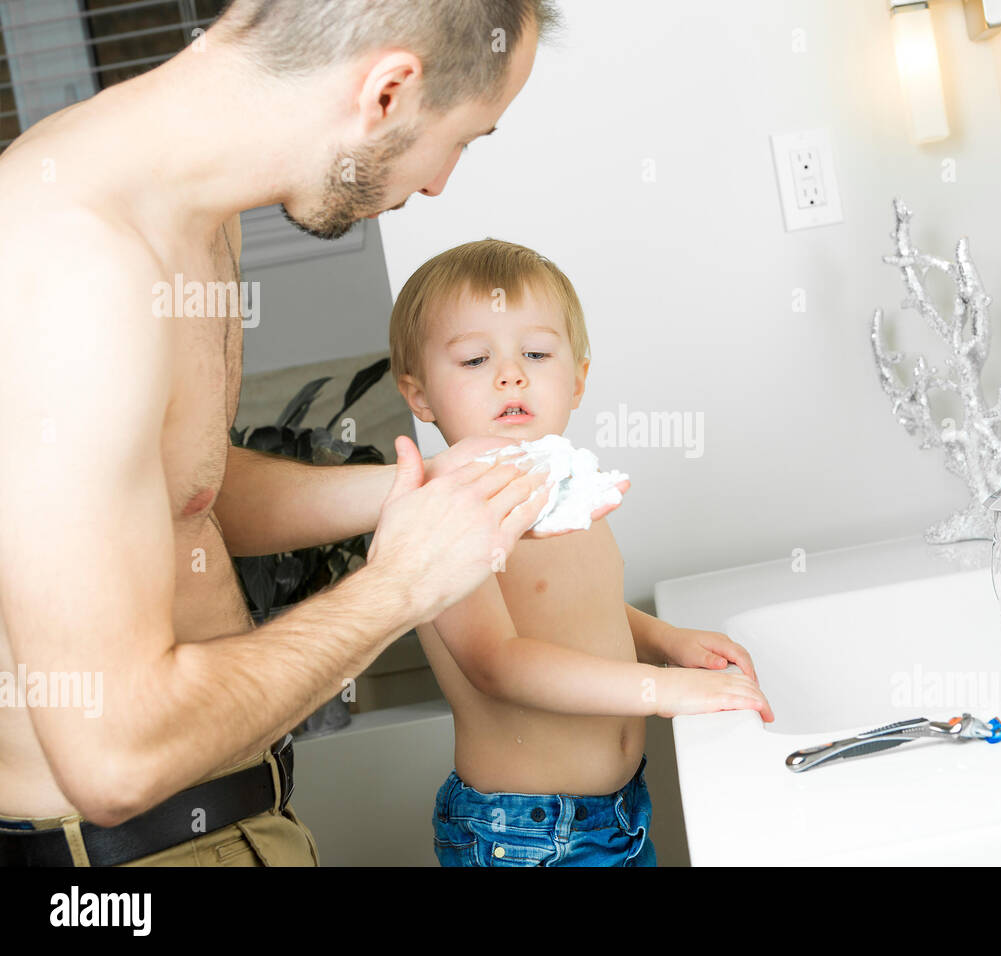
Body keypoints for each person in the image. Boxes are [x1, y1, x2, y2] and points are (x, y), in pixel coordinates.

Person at [0, 0, 589, 867]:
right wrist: (402, 584)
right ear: (388, 92)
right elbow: (113, 757)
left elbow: (183, 487)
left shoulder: (194, 212)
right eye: (464, 138)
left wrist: (430, 488)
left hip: (236, 820)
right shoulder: (66, 262)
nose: (439, 184)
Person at [389, 238, 774, 867]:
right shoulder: (448, 510)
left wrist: (664, 640)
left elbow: (585, 612)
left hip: (615, 815)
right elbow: (499, 663)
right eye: (475, 359)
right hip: (524, 835)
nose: (510, 374)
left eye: (535, 353)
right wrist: (660, 688)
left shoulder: (567, 488)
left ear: (578, 379)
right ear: (421, 395)